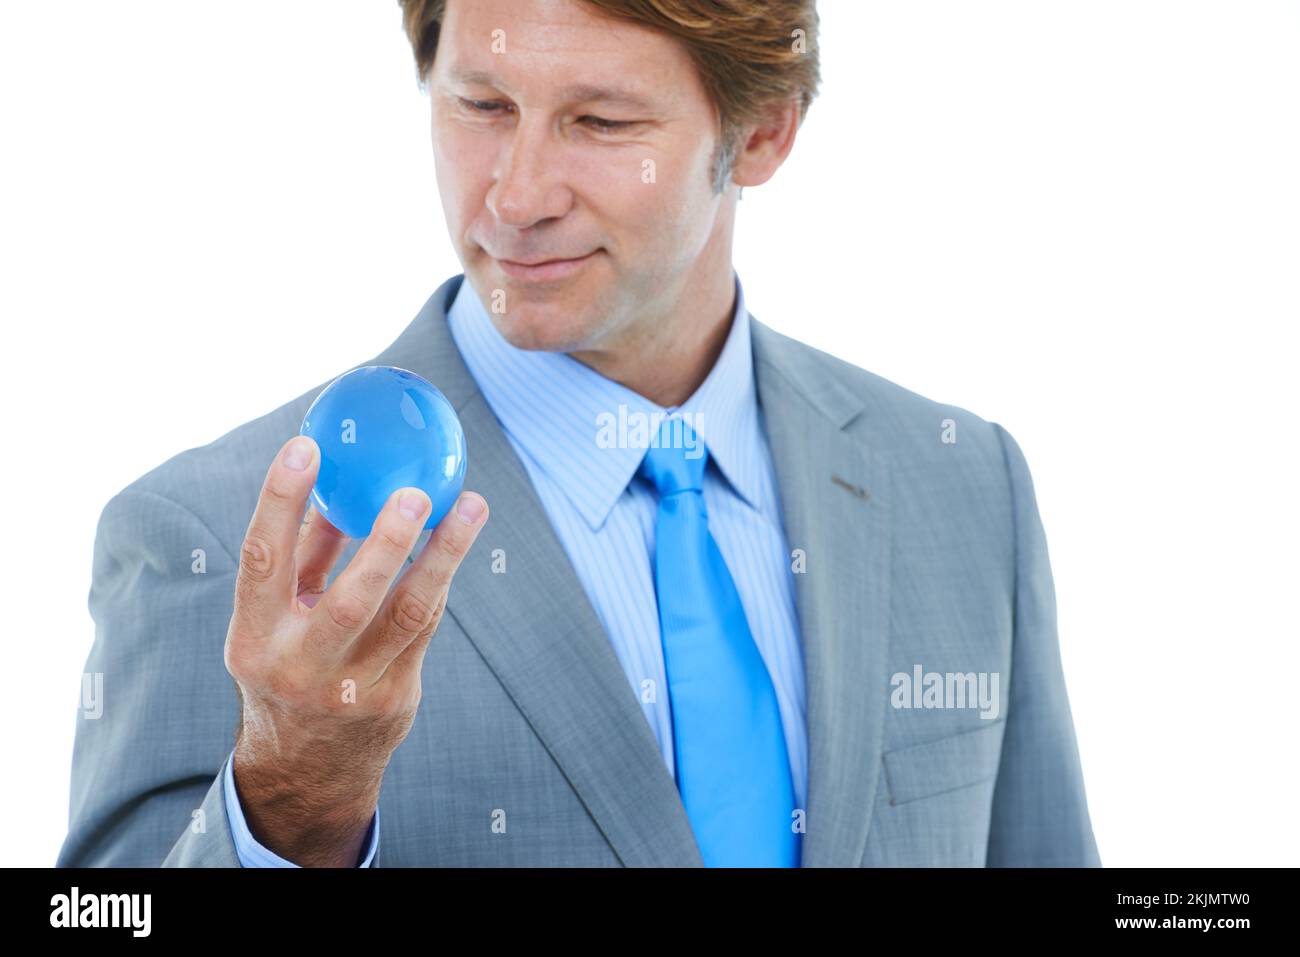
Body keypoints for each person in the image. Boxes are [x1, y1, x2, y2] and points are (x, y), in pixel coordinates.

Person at [58, 0, 1099, 867]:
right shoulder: (214, 529)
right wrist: (287, 801)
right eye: (481, 104)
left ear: (765, 133)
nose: (513, 198)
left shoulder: (963, 488)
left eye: (599, 123)